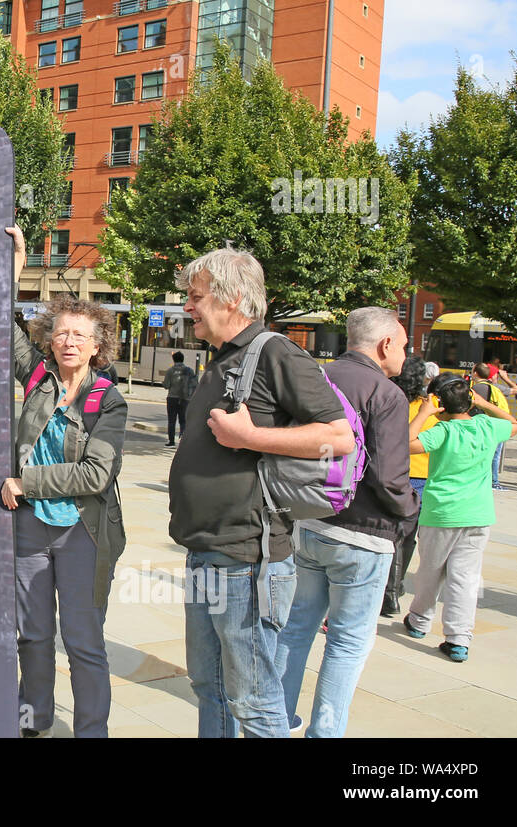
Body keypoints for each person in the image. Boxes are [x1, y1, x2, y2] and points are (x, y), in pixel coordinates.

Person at [168, 248, 354, 738]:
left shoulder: (276, 352)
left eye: (196, 296)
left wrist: (251, 438)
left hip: (247, 559)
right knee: (209, 686)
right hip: (205, 552)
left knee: (253, 702)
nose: (188, 306)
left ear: (230, 300)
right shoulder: (221, 359)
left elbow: (339, 439)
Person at [0, 227, 127, 738]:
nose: (68, 341)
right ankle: (33, 722)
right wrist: (15, 267)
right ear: (49, 338)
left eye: (79, 334)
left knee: (82, 639)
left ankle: (91, 730)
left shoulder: (107, 401)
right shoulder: (36, 378)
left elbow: (96, 474)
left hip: (84, 534)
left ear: (97, 346)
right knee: (31, 635)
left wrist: (26, 482)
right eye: (60, 332)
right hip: (31, 530)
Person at [274, 308, 418, 738]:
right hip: (364, 534)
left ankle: (275, 721)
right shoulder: (386, 393)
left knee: (296, 627)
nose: (405, 355)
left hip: (309, 520)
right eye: (405, 345)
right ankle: (326, 732)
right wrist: (410, 510)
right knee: (348, 641)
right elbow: (390, 478)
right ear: (386, 344)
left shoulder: (318, 376)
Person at [403, 374, 517, 662]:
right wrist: (486, 405)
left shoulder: (443, 432)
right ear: (470, 401)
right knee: (465, 578)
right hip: (478, 514)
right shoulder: (487, 426)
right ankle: (458, 639)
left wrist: (422, 413)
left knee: (430, 571)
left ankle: (419, 621)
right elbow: (515, 425)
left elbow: (406, 443)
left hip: (441, 513)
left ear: (440, 405)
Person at [382, 355, 434, 617]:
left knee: (392, 536)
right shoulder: (430, 407)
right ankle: (397, 585)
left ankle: (388, 591)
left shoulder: (392, 401)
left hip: (400, 475)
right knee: (407, 539)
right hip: (425, 477)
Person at [470, 363, 511, 489]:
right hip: (497, 424)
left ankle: (492, 481)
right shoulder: (494, 387)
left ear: (476, 373)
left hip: (483, 425)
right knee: (495, 454)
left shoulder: (477, 388)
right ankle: (494, 481)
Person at [161, 350, 196, 447]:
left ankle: (171, 441)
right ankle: (183, 441)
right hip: (185, 399)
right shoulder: (189, 371)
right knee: (183, 420)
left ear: (173, 359)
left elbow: (166, 385)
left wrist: (164, 384)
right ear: (183, 359)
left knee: (171, 421)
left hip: (172, 398)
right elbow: (194, 384)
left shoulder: (170, 371)